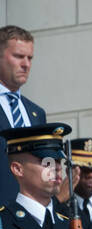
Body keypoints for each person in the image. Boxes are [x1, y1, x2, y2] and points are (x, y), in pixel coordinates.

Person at [0, 25, 43, 205]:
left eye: (29, 58)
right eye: (18, 56)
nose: (26, 64)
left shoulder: (37, 113)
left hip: (31, 218)